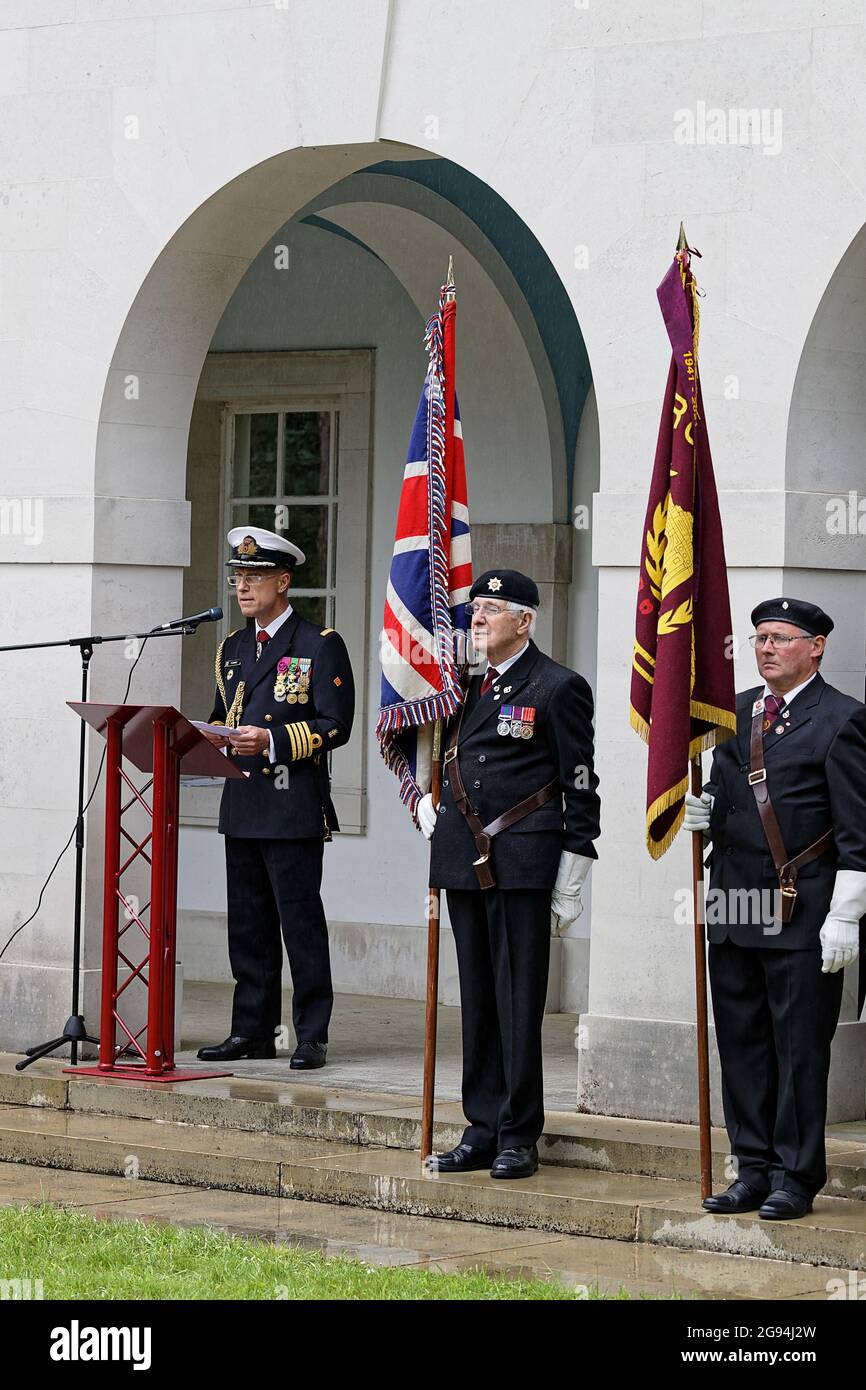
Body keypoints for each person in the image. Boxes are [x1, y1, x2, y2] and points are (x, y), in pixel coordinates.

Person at [686, 597, 866, 1219]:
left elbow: (857, 829)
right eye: (761, 637)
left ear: (816, 647)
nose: (766, 648)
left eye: (782, 638)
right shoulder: (734, 713)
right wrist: (704, 812)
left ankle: (795, 1175)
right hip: (736, 904)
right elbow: (729, 794)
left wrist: (847, 911)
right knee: (741, 1044)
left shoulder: (843, 719)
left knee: (798, 1052)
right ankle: (752, 1168)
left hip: (802, 910)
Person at [418, 570, 601, 1179]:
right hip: (462, 856)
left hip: (523, 860)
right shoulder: (452, 687)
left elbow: (580, 783)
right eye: (475, 608)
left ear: (524, 621)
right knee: (476, 999)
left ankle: (519, 1133)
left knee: (518, 999)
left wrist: (573, 870)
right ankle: (481, 1126)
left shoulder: (556, 686)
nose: (478, 618)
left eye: (492, 609)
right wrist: (424, 800)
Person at [196, 526, 354, 1069]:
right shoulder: (233, 648)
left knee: (300, 925)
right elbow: (221, 714)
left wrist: (273, 741)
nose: (243, 587)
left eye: (255, 577)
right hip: (242, 802)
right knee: (248, 925)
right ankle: (252, 1030)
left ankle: (311, 1034)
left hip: (291, 804)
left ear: (282, 582)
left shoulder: (318, 644)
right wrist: (210, 734)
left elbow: (337, 725)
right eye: (239, 577)